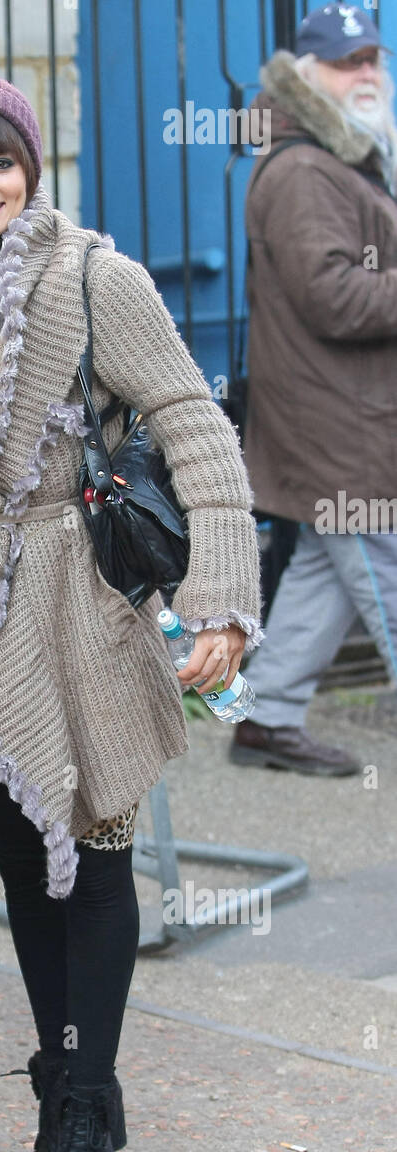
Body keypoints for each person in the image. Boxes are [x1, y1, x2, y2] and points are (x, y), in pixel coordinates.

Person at [0, 75, 263, 1152]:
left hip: (76, 601)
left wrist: (219, 597)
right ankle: (57, 1079)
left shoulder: (92, 279)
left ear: (31, 168)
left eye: (0, 162)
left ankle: (86, 1116)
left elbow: (191, 421)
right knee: (23, 861)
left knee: (95, 852)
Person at [232, 2, 397, 776]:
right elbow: (335, 297)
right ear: (308, 75)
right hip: (343, 433)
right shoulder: (304, 168)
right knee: (385, 576)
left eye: (373, 57)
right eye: (346, 61)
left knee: (328, 573)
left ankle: (262, 717)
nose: (365, 73)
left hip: (347, 421)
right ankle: (260, 717)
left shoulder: (339, 153)